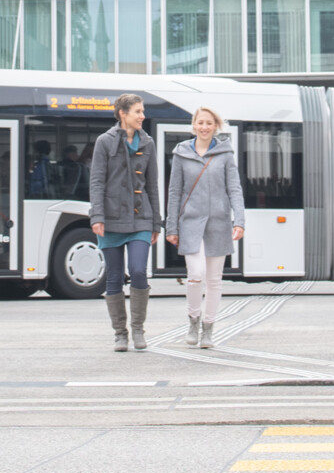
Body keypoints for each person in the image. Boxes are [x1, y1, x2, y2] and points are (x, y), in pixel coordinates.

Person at [165, 106, 244, 349]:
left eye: (209, 123)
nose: (204, 127)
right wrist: (171, 227)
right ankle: (193, 320)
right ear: (194, 125)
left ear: (215, 126)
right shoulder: (181, 153)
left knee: (214, 280)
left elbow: (234, 189)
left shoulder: (225, 154)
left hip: (219, 222)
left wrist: (239, 220)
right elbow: (174, 192)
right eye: (200, 122)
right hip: (190, 222)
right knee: (195, 275)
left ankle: (208, 328)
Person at [89, 93, 160, 351]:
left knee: (139, 270)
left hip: (141, 217)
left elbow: (152, 184)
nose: (142, 116)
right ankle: (120, 333)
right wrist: (96, 216)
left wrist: (156, 223)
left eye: (142, 111)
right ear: (123, 113)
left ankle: (139, 329)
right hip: (110, 220)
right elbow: (96, 181)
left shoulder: (148, 143)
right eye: (138, 111)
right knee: (114, 277)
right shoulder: (104, 142)